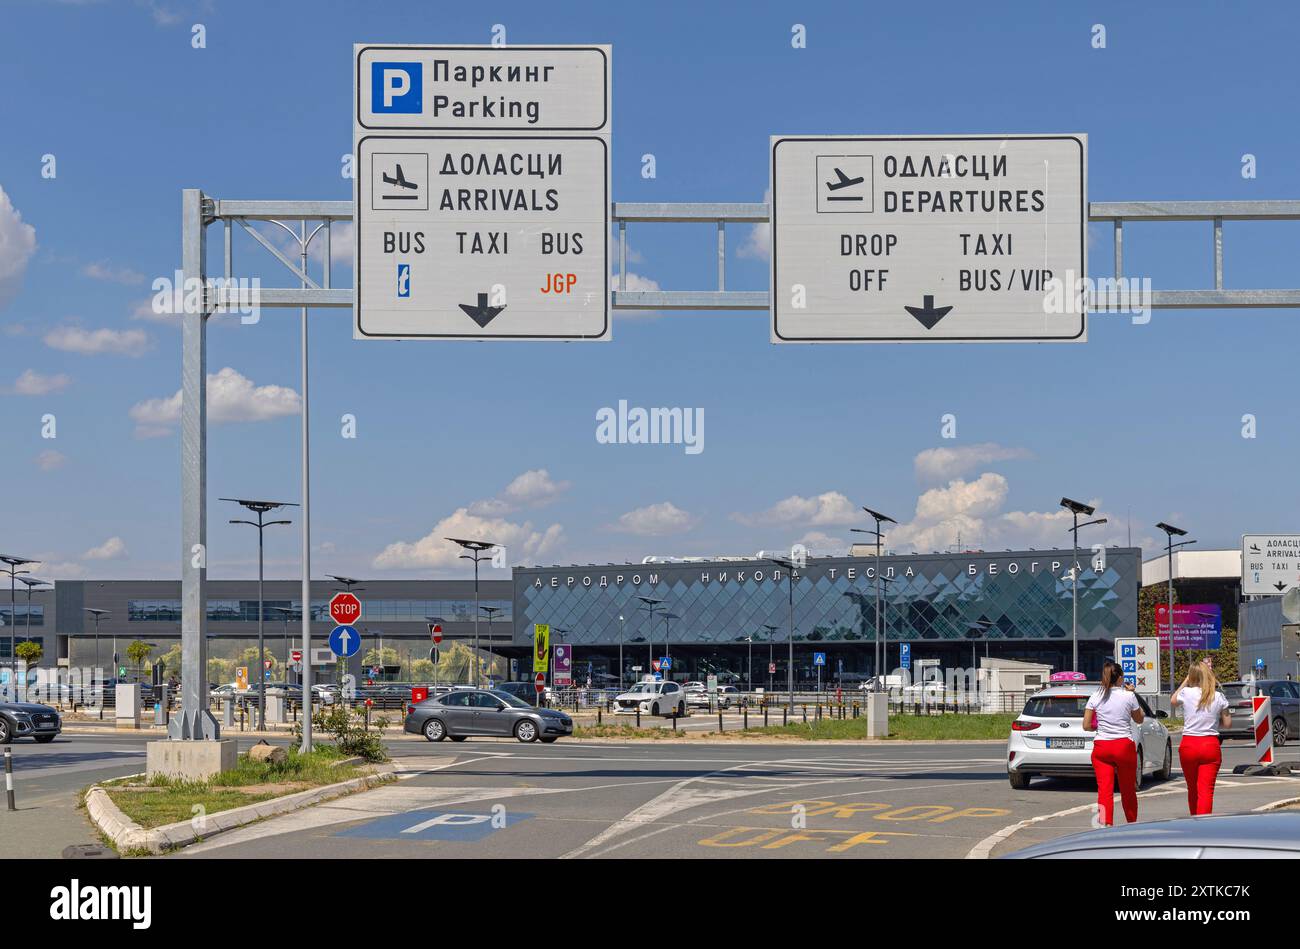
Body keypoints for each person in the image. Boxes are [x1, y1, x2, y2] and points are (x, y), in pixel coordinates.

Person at [1083, 659, 1144, 825]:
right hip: (1123, 746)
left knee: (1104, 790)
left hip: (1102, 746)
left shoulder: (1096, 696)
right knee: (1127, 789)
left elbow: (1086, 725)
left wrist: (1099, 725)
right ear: (1120, 678)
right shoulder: (1129, 695)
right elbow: (1139, 719)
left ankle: (1105, 823)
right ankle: (1131, 823)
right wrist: (1133, 693)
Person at [1171, 662, 1231, 815]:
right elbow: (1228, 724)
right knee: (1206, 791)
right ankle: (1204, 827)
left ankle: (1194, 822)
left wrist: (1185, 681)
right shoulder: (1218, 696)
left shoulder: (1186, 693)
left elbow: (1173, 700)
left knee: (1192, 788)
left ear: (1191, 676)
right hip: (1210, 744)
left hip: (1189, 745)